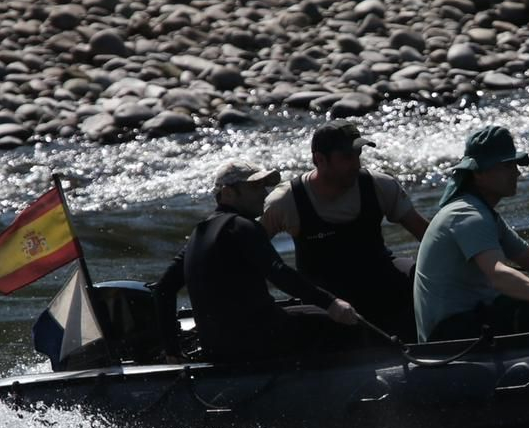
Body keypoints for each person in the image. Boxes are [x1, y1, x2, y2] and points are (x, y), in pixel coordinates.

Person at [152, 161, 358, 363]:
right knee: (341, 323)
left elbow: (163, 289)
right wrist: (331, 303)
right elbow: (280, 273)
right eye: (254, 187)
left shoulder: (198, 234)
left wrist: (172, 349)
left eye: (264, 186)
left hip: (216, 348)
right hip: (261, 342)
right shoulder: (242, 227)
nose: (265, 194)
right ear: (228, 193)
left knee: (307, 313)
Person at [412, 125, 529, 342]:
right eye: (507, 166)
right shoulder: (467, 214)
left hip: (474, 314)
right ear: (478, 173)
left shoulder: (483, 212)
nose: (516, 172)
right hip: (450, 333)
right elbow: (497, 275)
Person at [261, 120, 428, 339]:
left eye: (358, 155)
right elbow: (253, 255)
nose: (356, 164)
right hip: (329, 297)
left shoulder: (380, 185)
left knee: (420, 273)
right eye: (347, 157)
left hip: (378, 277)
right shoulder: (285, 202)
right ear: (319, 159)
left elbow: (427, 235)